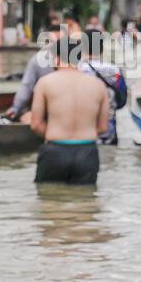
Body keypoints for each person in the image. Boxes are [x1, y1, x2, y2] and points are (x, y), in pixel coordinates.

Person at [29, 29, 111, 185]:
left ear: (58, 58)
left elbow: (35, 124)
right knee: (85, 201)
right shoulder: (99, 86)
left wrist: (56, 134)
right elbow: (102, 127)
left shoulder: (45, 83)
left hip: (55, 151)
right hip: (87, 153)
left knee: (48, 202)